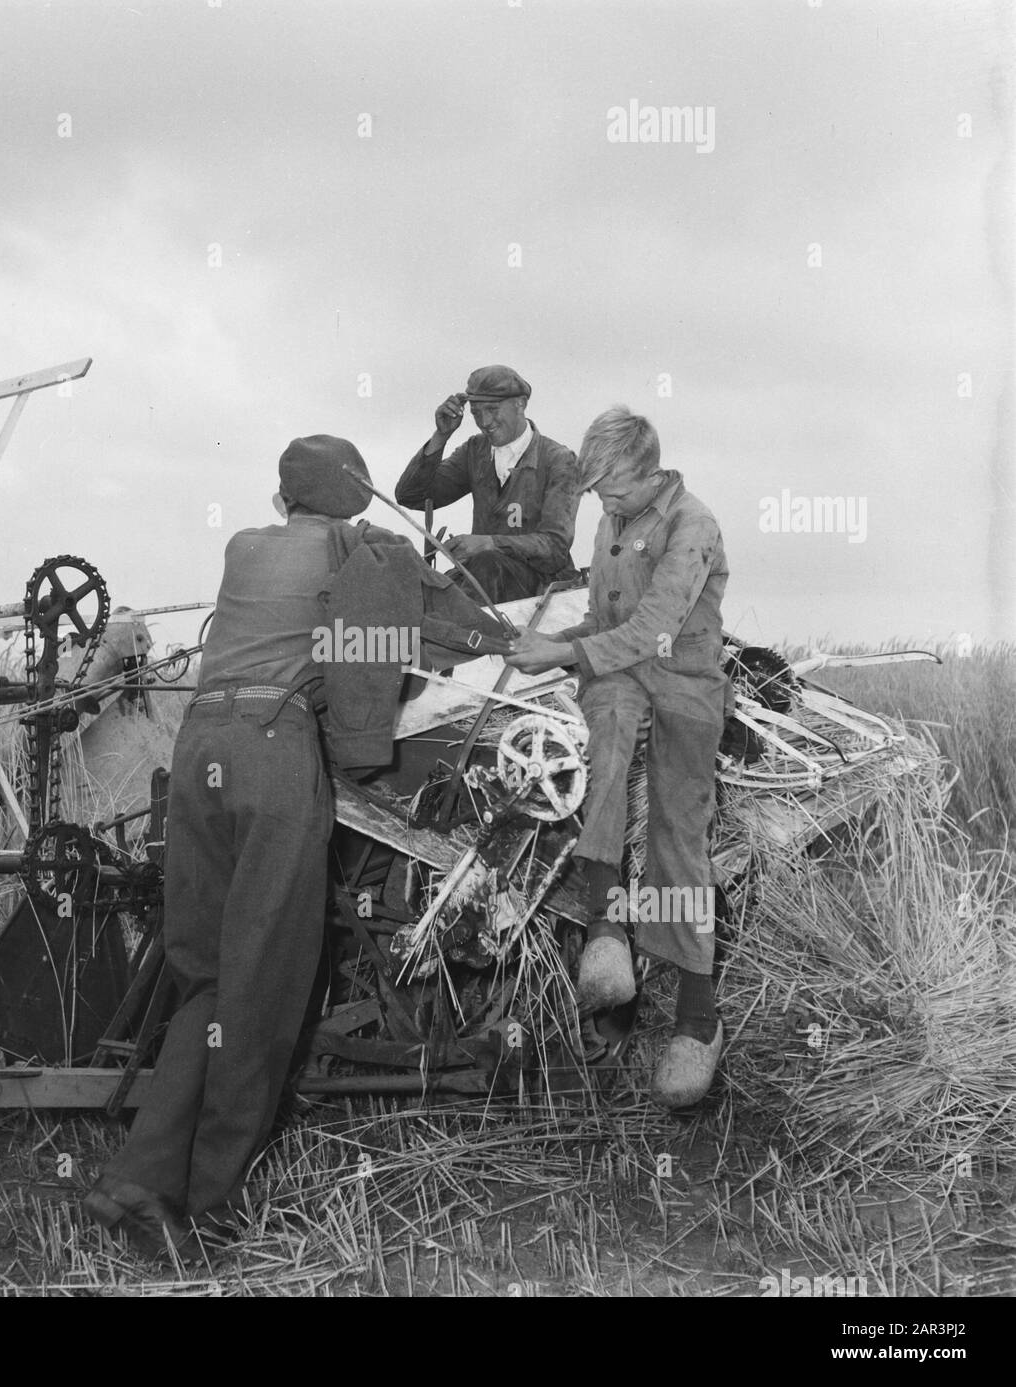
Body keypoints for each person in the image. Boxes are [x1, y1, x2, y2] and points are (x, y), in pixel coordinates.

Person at [82, 435, 508, 1261]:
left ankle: (137, 1177)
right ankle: (210, 1207)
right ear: (358, 494)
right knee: (265, 986)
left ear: (285, 499)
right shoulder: (364, 544)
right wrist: (501, 637)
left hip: (200, 747)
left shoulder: (244, 547)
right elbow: (449, 628)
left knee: (206, 979)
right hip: (273, 750)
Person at [504, 406, 730, 1108]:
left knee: (677, 833)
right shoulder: (611, 521)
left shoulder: (692, 524)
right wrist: (551, 644)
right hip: (621, 674)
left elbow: (654, 629)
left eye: (614, 488)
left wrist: (561, 653)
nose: (603, 501)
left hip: (684, 680)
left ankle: (698, 1018)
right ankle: (606, 924)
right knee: (599, 740)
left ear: (651, 472)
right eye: (596, 489)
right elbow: (605, 624)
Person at [394, 364, 582, 603]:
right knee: (415, 588)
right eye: (476, 413)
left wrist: (489, 543)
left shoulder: (559, 460)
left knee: (486, 563)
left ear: (521, 403)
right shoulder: (475, 451)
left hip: (541, 587)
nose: (484, 421)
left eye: (492, 409)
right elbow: (411, 496)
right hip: (484, 581)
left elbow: (555, 547)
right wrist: (441, 436)